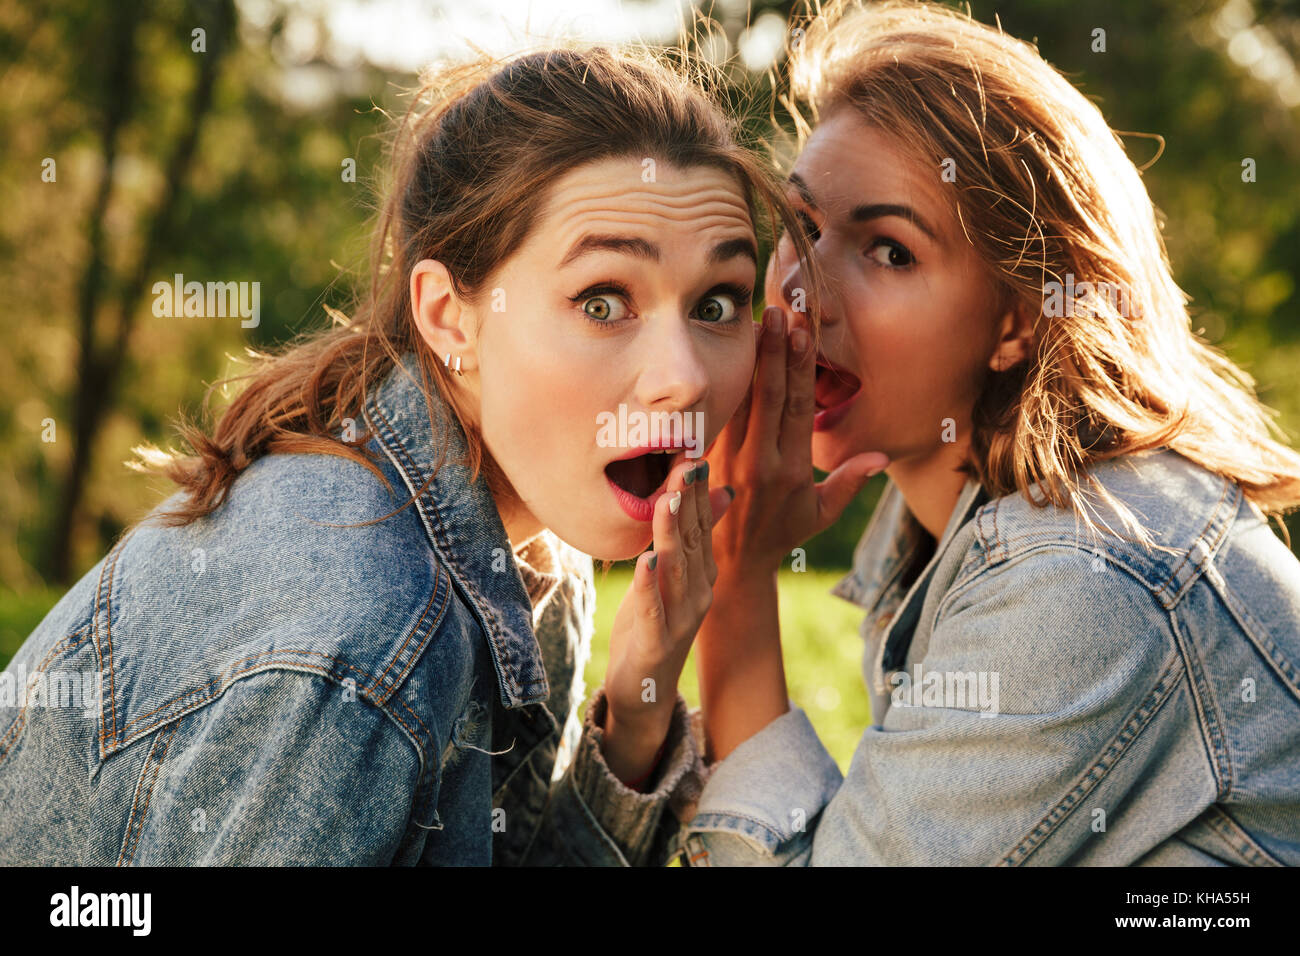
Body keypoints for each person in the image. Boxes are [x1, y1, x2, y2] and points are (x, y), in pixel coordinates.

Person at [0, 46, 816, 865]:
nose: (683, 379)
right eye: (602, 301)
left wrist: (638, 707)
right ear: (449, 316)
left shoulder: (529, 552)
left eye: (716, 304)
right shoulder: (364, 639)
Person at [678, 0, 1300, 866]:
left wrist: (738, 580)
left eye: (889, 250)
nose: (800, 292)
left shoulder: (1080, 576)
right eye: (803, 228)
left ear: (1018, 319)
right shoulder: (937, 523)